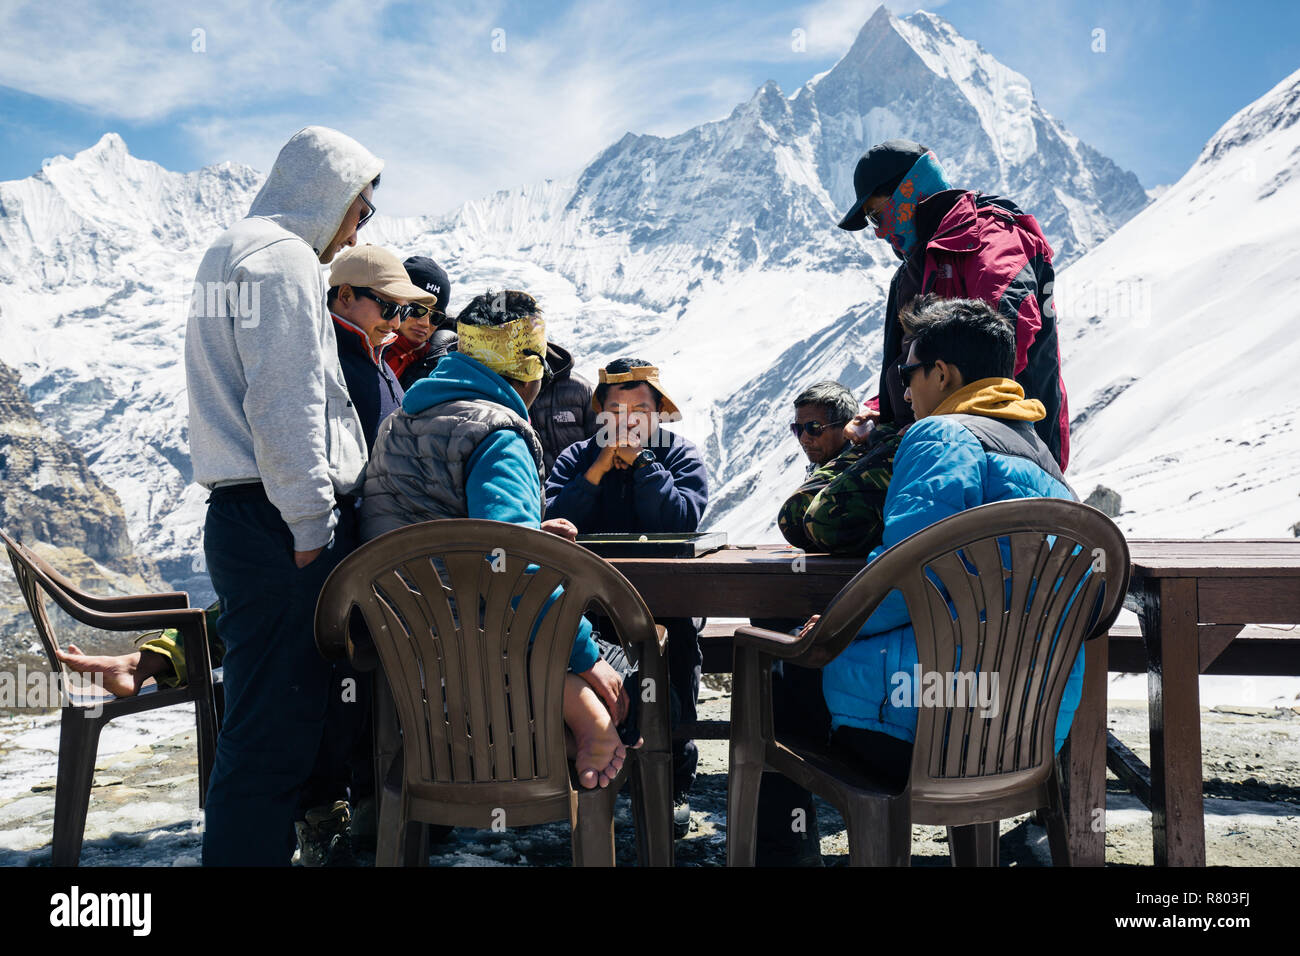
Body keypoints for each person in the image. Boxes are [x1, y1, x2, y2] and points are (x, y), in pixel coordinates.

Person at [757, 295, 1082, 865]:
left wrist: (830, 626)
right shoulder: (1043, 458)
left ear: (942, 373)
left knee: (779, 675)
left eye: (908, 373)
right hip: (1022, 731)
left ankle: (785, 856)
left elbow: (908, 573)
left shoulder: (941, 438)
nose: (904, 392)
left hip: (924, 726)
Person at [184, 125, 381, 866]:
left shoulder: (230, 249)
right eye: (359, 210)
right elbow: (287, 401)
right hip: (279, 521)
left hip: (244, 514)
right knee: (274, 732)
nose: (356, 229)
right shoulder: (284, 260)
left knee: (262, 721)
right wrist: (309, 524)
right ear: (327, 193)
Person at [360, 290, 635, 789]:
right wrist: (585, 658)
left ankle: (559, 737)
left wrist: (529, 536)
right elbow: (514, 572)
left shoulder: (397, 424)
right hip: (480, 656)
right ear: (528, 368)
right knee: (629, 666)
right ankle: (575, 739)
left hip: (403, 647)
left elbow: (442, 526)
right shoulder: (499, 436)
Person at [543, 358, 708, 835]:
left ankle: (672, 779)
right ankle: (588, 764)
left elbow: (679, 521)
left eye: (640, 408)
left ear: (659, 413)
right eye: (615, 408)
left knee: (677, 658)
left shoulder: (680, 457)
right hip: (589, 604)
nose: (628, 419)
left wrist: (643, 464)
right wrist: (596, 469)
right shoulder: (576, 458)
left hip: (666, 602)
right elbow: (554, 520)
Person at [837, 139, 1070, 470]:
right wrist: (881, 407)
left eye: (877, 216)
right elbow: (911, 361)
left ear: (910, 190)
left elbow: (1002, 334)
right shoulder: (919, 262)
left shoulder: (990, 235)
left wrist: (941, 419)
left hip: (1002, 445)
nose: (879, 233)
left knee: (830, 512)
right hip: (938, 433)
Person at [777, 381, 902, 558]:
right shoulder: (822, 463)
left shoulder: (866, 465)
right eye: (797, 429)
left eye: (814, 428)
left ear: (846, 426)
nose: (804, 438)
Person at [384, 255, 456, 389]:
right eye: (416, 309)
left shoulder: (446, 358)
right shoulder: (367, 342)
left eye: (436, 317)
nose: (425, 323)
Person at [531, 341, 600, 478]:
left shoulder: (580, 389)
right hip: (533, 494)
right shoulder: (502, 392)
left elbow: (601, 447)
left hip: (580, 490)